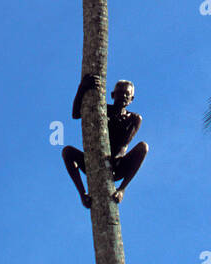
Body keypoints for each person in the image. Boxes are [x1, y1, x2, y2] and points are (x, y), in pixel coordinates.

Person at [61, 74, 148, 208]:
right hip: (95, 160)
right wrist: (82, 88)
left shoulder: (134, 119)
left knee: (143, 147)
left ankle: (122, 189)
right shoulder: (102, 109)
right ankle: (83, 194)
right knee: (67, 152)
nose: (123, 96)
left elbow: (123, 142)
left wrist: (108, 122)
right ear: (113, 95)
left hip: (117, 165)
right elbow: (76, 114)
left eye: (127, 94)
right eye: (120, 93)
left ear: (131, 99)